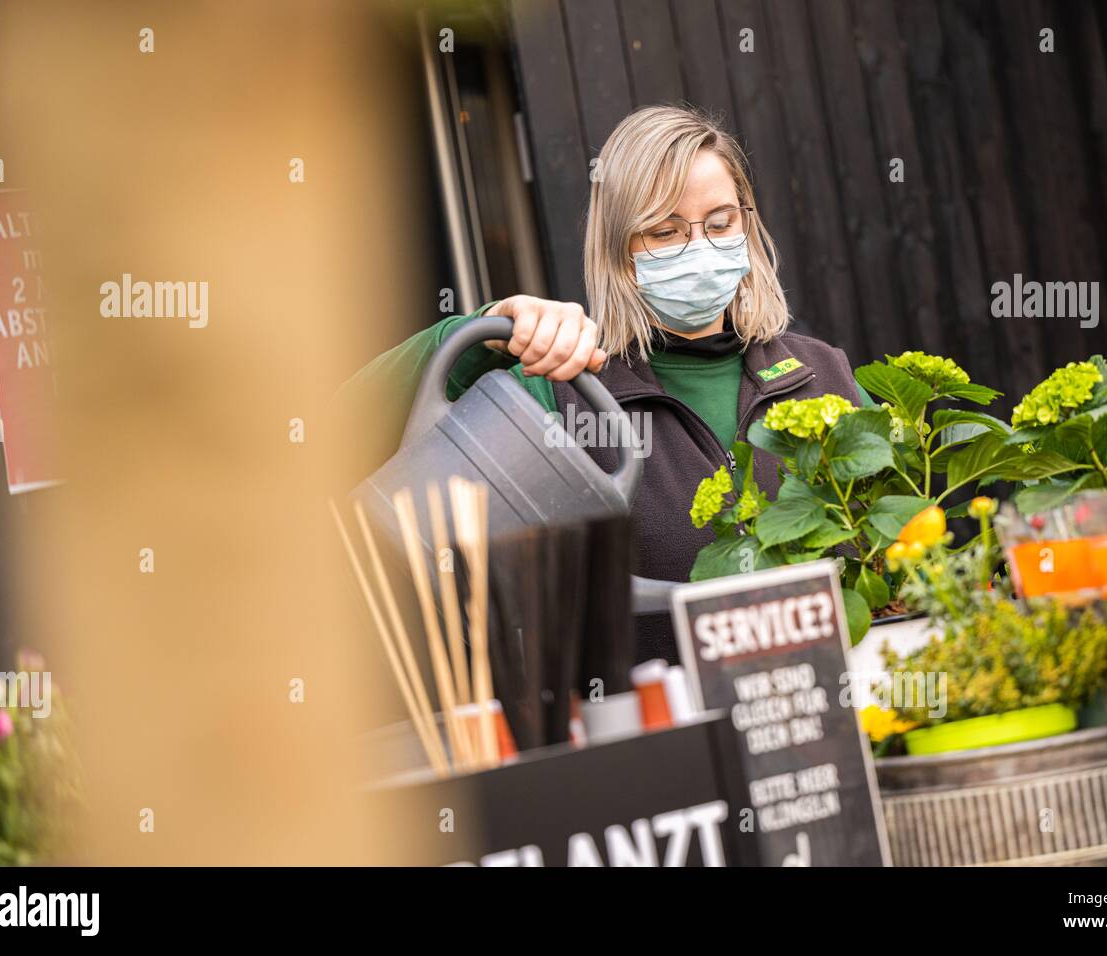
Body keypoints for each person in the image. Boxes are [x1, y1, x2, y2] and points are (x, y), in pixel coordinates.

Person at [338, 105, 863, 663]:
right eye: (664, 231)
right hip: (653, 742)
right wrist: (479, 336)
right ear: (618, 251)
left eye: (719, 223)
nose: (700, 249)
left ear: (747, 226)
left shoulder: (824, 375)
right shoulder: (563, 392)